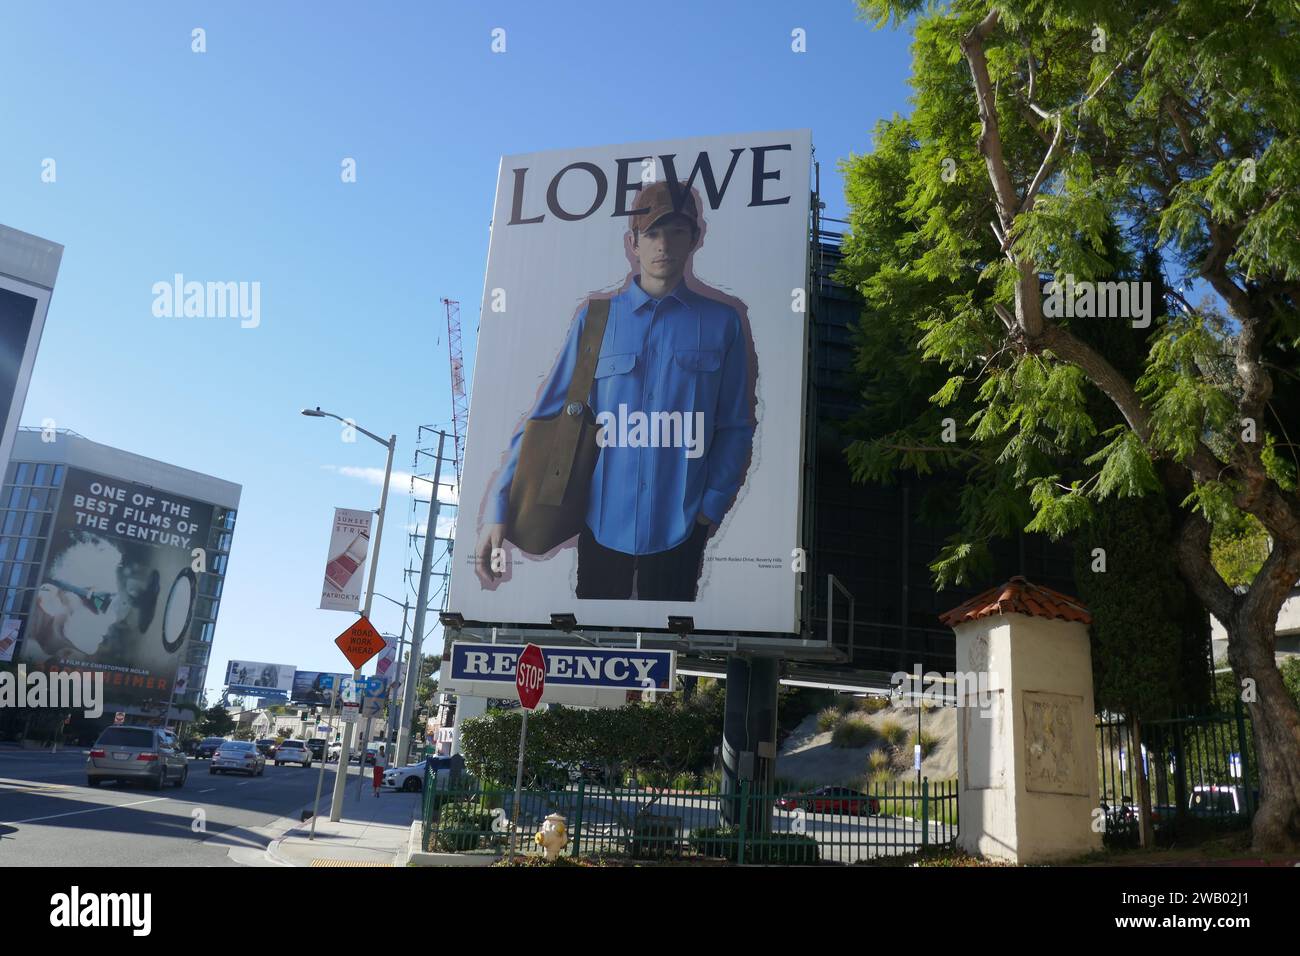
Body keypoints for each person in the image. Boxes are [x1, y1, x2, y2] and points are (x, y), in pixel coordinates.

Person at [476, 180, 756, 601]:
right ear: (634, 243)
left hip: (681, 532)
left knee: (666, 657)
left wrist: (708, 507)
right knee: (596, 653)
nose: (665, 245)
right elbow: (545, 418)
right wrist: (499, 509)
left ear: (696, 238)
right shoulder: (596, 320)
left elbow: (735, 425)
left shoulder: (723, 323)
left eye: (677, 231)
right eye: (653, 233)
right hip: (601, 528)